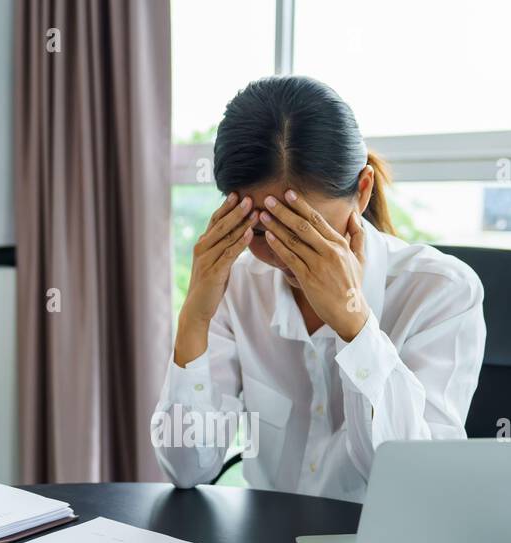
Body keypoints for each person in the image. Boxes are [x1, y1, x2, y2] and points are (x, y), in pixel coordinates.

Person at [151, 75, 486, 502]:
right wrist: (194, 319)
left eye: (309, 231)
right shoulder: (236, 286)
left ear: (361, 191)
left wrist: (355, 325)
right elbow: (186, 470)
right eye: (260, 233)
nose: (285, 254)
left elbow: (416, 486)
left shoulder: (441, 292)